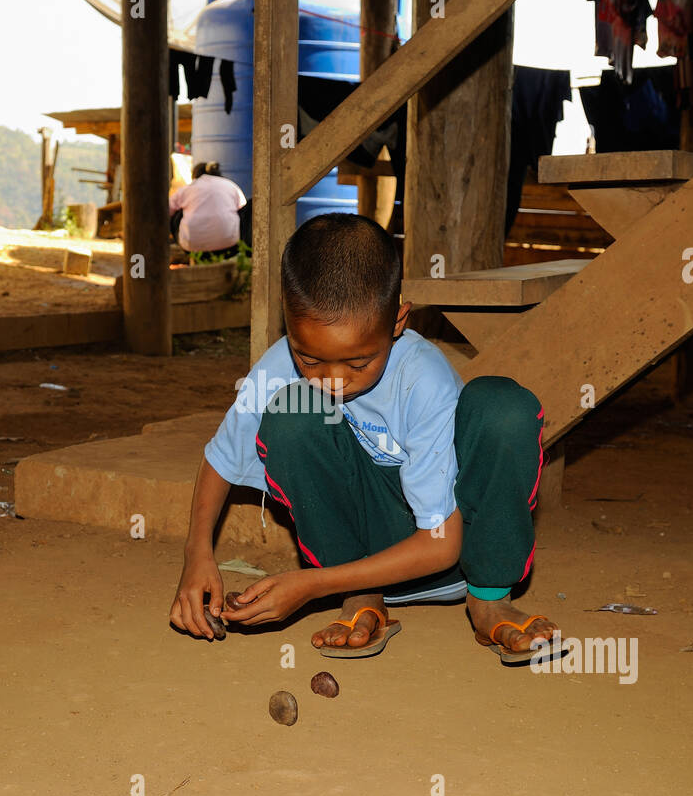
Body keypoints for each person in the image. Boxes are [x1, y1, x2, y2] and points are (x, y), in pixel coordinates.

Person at [168, 212, 564, 663]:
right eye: (310, 358)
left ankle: (489, 600)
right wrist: (196, 555)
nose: (333, 380)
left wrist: (311, 586)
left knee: (503, 406)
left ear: (397, 321)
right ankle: (363, 596)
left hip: (455, 549)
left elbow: (442, 542)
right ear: (289, 324)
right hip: (364, 561)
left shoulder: (423, 378)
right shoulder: (280, 365)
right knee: (291, 413)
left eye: (358, 363)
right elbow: (221, 456)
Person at [168, 161, 247, 260]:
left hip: (192, 248)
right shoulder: (231, 185)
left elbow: (166, 210)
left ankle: (189, 241)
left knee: (177, 212)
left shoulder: (187, 189)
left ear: (195, 176)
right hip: (230, 246)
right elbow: (243, 208)